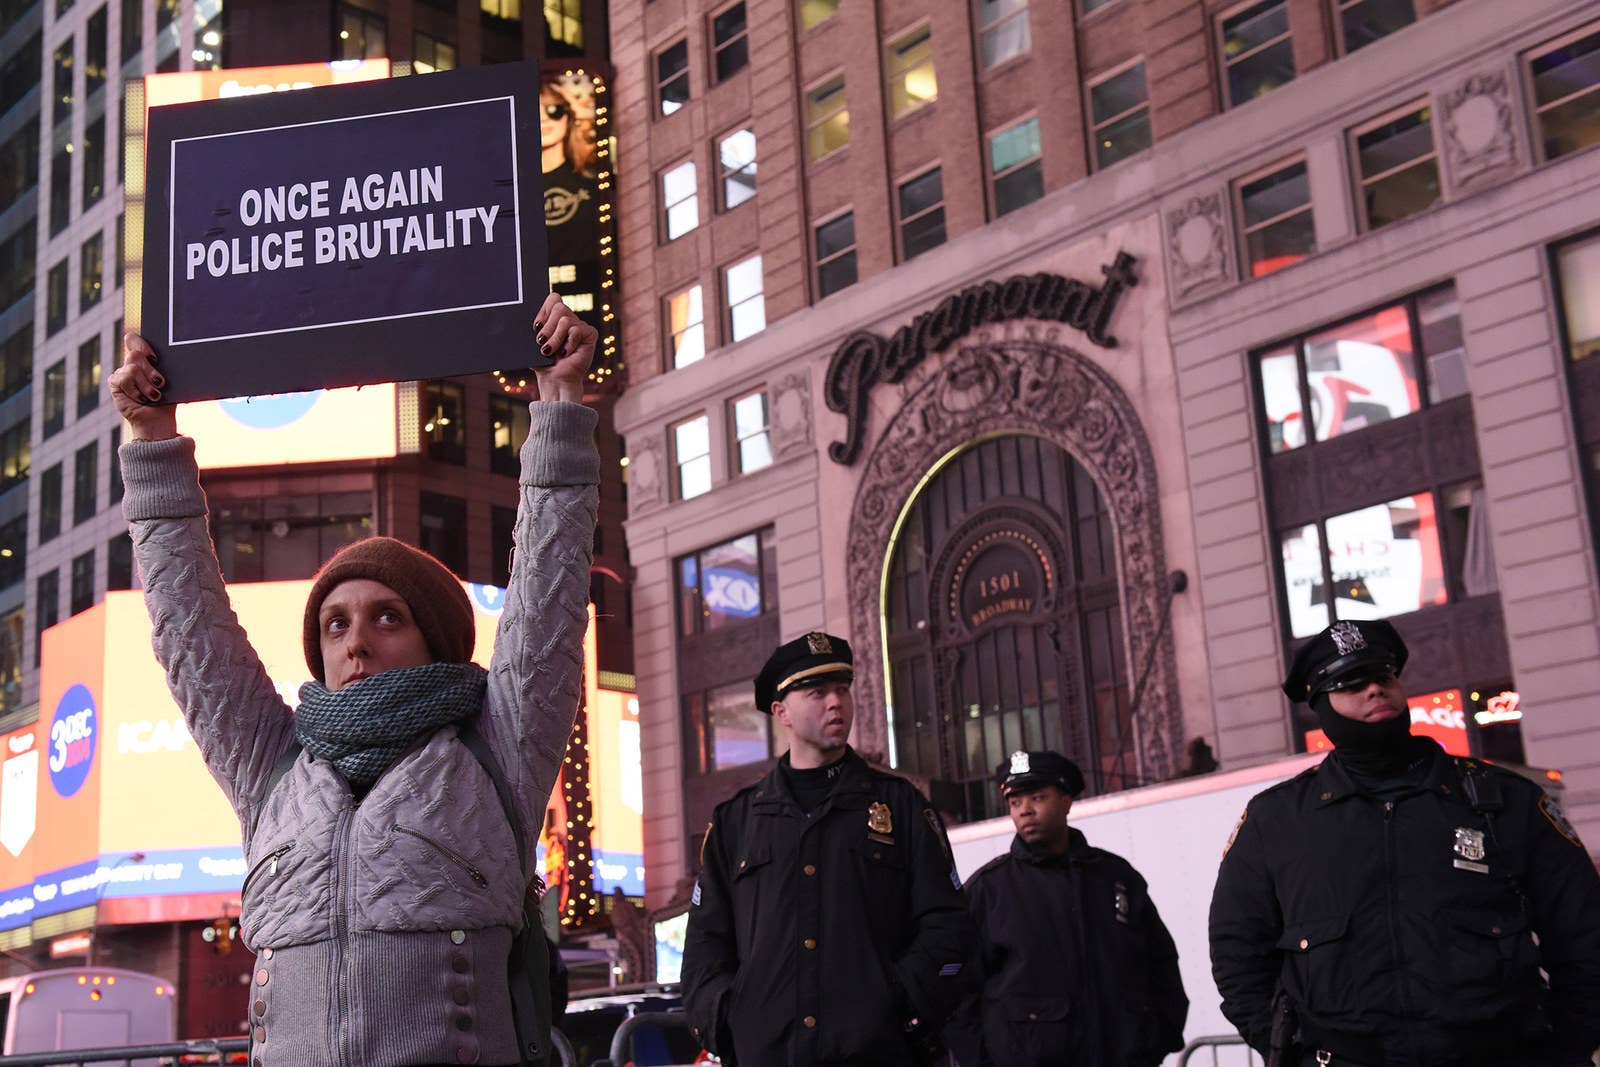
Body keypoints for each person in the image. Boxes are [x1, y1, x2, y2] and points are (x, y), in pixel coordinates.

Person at [108, 293, 599, 1067]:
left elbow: (549, 590)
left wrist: (561, 403)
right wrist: (151, 438)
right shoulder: (271, 766)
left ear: (437, 639)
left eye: (387, 616)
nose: (357, 640)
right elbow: (188, 628)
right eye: (334, 624)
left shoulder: (498, 748)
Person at [1209, 619, 1600, 1067]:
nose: (1375, 690)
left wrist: (1564, 1050)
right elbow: (1237, 953)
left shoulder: (1505, 800)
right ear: (1321, 704)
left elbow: (1584, 934)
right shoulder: (1277, 820)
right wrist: (1291, 1054)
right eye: (1351, 684)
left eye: (1384, 676)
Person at [681, 631, 976, 1066]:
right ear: (781, 711)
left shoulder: (902, 807)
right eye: (817, 693)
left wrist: (897, 1005)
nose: (836, 703)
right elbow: (705, 945)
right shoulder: (736, 823)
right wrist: (730, 1021)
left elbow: (949, 927)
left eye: (842, 689)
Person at [946, 750, 1187, 1067]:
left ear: (1066, 801)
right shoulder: (989, 891)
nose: (1025, 811)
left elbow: (1161, 963)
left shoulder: (1116, 878)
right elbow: (955, 992)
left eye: (1037, 798)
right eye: (1015, 803)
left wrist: (1155, 1040)